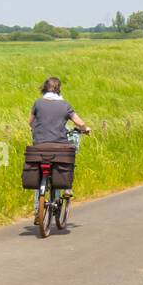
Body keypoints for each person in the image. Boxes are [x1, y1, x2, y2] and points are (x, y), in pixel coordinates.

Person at [28, 76, 90, 209]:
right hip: (59, 147)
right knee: (69, 157)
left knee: (39, 175)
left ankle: (37, 208)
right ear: (59, 89)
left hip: (39, 146)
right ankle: (67, 188)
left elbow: (30, 122)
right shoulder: (65, 105)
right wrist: (86, 130)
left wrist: (37, 131)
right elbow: (80, 123)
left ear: (44, 88)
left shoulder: (37, 103)